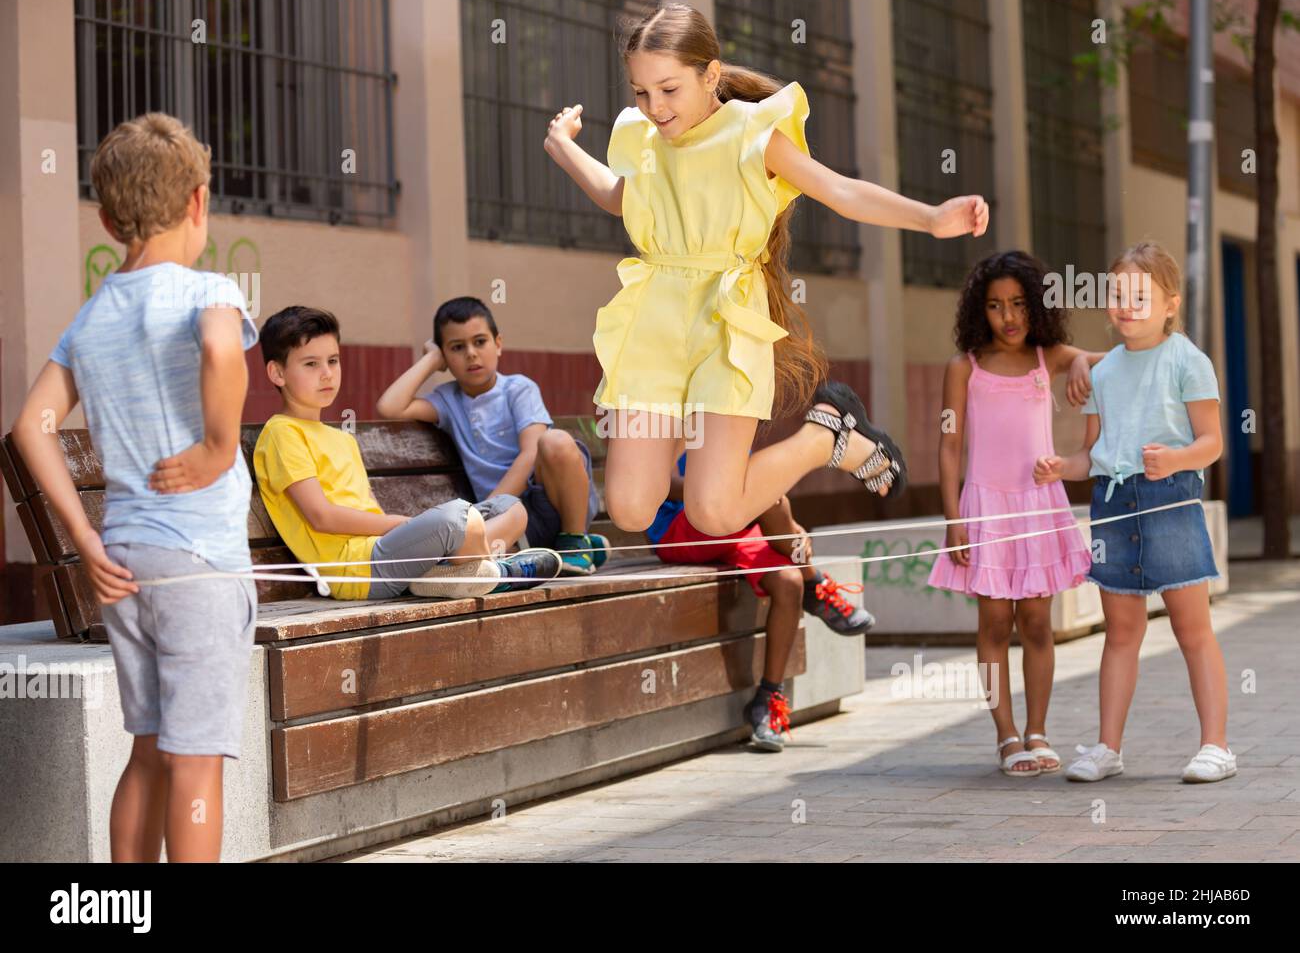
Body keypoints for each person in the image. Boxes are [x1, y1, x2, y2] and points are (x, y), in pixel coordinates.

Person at [543, 3, 989, 542]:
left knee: (713, 514)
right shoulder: (641, 136)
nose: (654, 106)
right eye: (641, 92)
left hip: (726, 324)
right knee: (630, 509)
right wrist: (565, 147)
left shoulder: (752, 133)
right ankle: (700, 436)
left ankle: (824, 439)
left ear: (709, 75)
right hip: (652, 322)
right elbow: (623, 199)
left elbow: (841, 190)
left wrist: (932, 218)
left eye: (668, 89)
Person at [11, 113, 258, 860]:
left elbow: (31, 426)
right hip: (199, 563)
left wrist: (83, 538)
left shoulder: (87, 321)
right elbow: (221, 346)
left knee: (148, 747)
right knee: (196, 759)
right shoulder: (208, 289)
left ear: (108, 218)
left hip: (121, 559)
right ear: (197, 201)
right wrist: (219, 448)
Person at [1035, 242, 1233, 783]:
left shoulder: (1189, 360)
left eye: (1139, 295)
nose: (1126, 305)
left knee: (1193, 629)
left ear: (1170, 304)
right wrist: (1061, 467)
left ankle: (1216, 745)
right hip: (1112, 505)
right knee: (1120, 632)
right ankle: (1108, 748)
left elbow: (1212, 442)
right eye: (1117, 294)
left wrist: (1173, 460)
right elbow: (1092, 453)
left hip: (1170, 501)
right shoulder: (1101, 373)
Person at [928, 251, 1103, 776]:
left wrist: (1076, 361)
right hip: (984, 508)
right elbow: (949, 446)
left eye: (1020, 304)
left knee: (1036, 621)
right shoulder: (964, 368)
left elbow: (1105, 359)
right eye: (996, 306)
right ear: (980, 311)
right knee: (996, 620)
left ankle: (1038, 730)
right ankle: (1006, 735)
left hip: (1038, 505)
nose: (1009, 317)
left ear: (1037, 307)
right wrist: (952, 517)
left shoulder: (1047, 357)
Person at [253, 306, 562, 601]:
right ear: (277, 373)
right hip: (356, 570)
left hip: (386, 550)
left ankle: (450, 573)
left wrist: (408, 530)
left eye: (333, 361)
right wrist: (402, 524)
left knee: (511, 507)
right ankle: (495, 571)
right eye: (311, 364)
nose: (327, 374)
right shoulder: (282, 433)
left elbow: (368, 508)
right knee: (457, 518)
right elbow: (322, 517)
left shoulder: (342, 439)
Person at [650, 449, 876, 751]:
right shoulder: (664, 414)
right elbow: (665, 485)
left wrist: (791, 529)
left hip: (731, 523)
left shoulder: (728, 417)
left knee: (787, 581)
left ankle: (767, 702)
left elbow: (758, 480)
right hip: (680, 529)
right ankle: (815, 584)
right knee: (766, 498)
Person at [377, 296, 609, 576]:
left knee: (554, 441)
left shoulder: (519, 389)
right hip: (514, 526)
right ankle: (559, 549)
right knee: (466, 560)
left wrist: (490, 509)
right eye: (457, 348)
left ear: (498, 343)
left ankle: (574, 543)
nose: (471, 354)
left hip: (547, 504)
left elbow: (531, 453)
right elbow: (390, 406)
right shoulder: (447, 401)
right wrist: (430, 359)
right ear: (446, 357)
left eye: (480, 342)